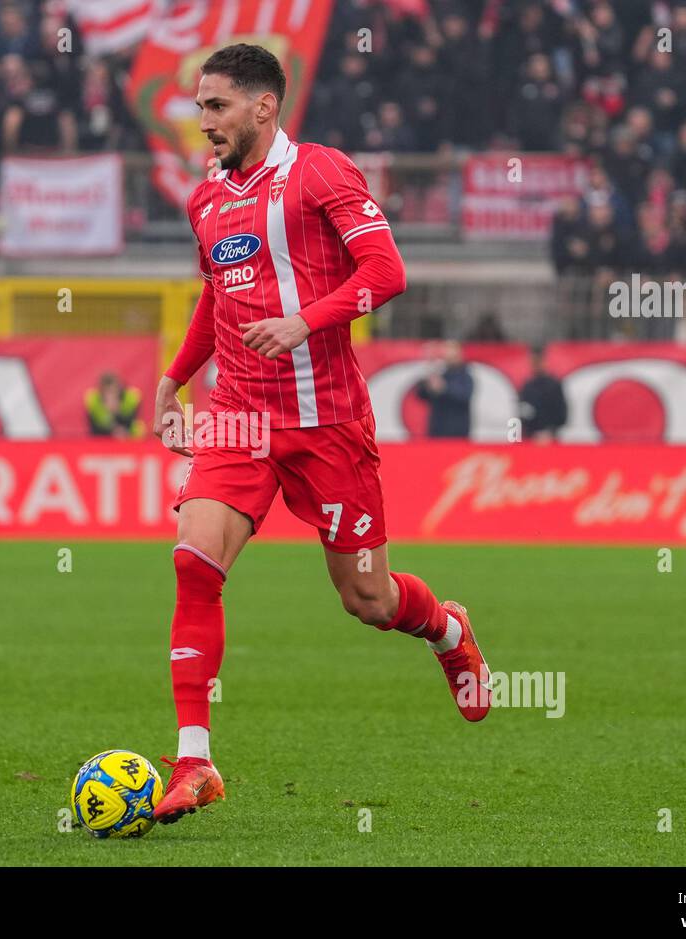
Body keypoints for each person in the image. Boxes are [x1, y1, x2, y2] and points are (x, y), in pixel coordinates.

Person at [150, 44, 492, 826]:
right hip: (237, 416)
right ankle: (196, 759)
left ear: (263, 107)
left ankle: (447, 628)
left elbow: (386, 270)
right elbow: (214, 298)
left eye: (216, 107)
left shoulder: (323, 173)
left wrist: (305, 322)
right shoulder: (206, 201)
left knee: (369, 600)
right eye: (201, 108)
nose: (203, 123)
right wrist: (174, 380)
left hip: (327, 423)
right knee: (193, 562)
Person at [414, 340, 474, 438]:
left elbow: (464, 396)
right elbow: (420, 394)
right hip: (437, 432)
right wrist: (429, 382)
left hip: (458, 433)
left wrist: (444, 388)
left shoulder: (465, 376)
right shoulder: (440, 374)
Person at [518, 345, 568, 442]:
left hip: (550, 436)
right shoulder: (527, 386)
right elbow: (522, 412)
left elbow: (562, 413)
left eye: (537, 362)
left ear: (544, 362)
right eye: (533, 363)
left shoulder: (554, 385)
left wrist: (550, 431)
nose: (534, 366)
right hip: (530, 437)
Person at [85, 372, 143, 437]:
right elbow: (93, 428)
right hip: (104, 438)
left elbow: (132, 421)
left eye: (113, 391)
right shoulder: (94, 400)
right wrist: (112, 427)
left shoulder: (130, 398)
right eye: (108, 392)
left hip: (129, 437)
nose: (111, 396)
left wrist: (118, 412)